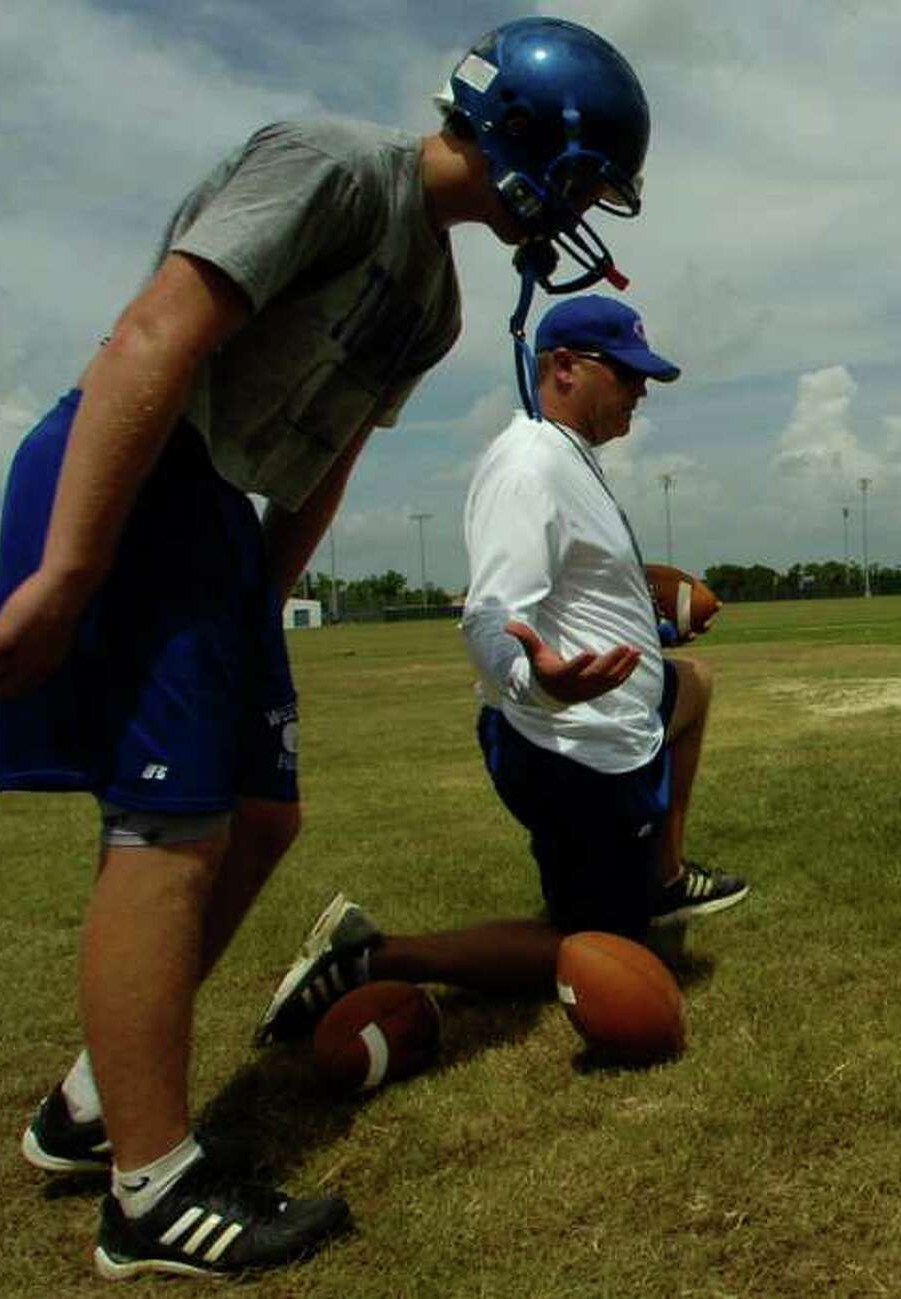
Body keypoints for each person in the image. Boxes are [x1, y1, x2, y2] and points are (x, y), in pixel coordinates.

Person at [0, 18, 655, 1280]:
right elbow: (154, 336)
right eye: (592, 177)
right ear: (536, 144)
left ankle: (88, 1107)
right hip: (141, 468)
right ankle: (148, 1195)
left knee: (263, 814)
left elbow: (326, 461)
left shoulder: (434, 297)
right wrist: (71, 564)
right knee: (168, 832)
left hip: (218, 518)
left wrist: (252, 607)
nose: (590, 207)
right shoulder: (332, 166)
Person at [251, 295, 747, 1043]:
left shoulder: (569, 458)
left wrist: (649, 620)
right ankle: (371, 955)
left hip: (617, 724)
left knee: (696, 685)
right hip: (570, 748)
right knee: (597, 945)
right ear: (565, 368)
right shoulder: (529, 466)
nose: (641, 390)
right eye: (629, 374)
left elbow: (577, 582)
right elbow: (489, 613)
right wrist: (534, 679)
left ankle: (665, 877)